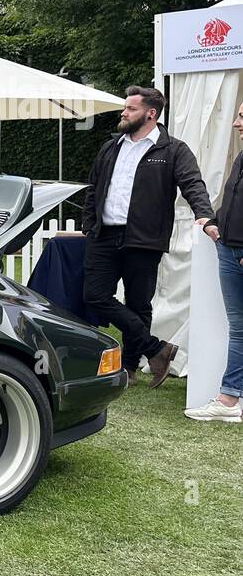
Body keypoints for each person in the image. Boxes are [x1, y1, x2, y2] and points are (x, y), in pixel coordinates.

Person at [82, 85, 218, 387]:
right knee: (94, 295)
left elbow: (192, 183)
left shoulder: (173, 150)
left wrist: (204, 214)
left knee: (138, 303)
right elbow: (94, 187)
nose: (124, 113)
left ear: (150, 114)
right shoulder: (111, 146)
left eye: (131, 109)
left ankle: (128, 368)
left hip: (144, 239)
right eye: (125, 107)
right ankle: (157, 349)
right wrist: (89, 224)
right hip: (104, 235)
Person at [186, 100, 243, 421]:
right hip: (228, 249)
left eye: (242, 117)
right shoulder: (241, 157)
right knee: (239, 327)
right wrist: (212, 223)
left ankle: (228, 400)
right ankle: (230, 398)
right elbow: (233, 202)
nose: (236, 123)